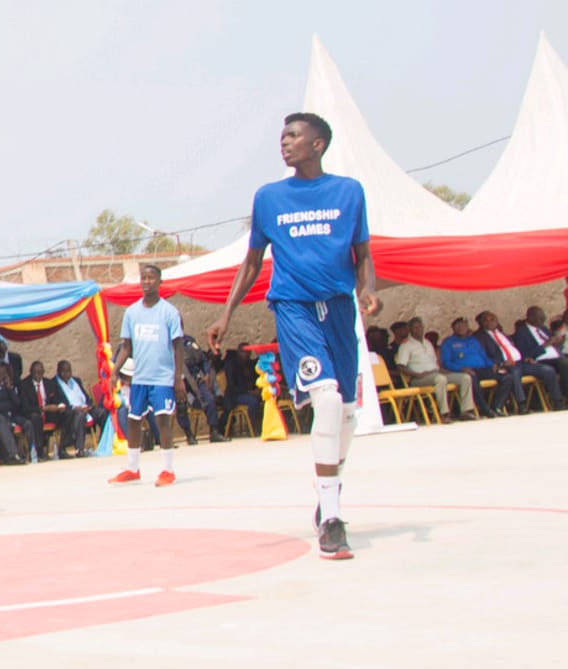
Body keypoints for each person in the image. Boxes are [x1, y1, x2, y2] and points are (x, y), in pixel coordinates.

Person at [206, 113, 378, 561]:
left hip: (338, 309)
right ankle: (333, 520)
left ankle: (328, 488)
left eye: (294, 135)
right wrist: (226, 315)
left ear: (317, 144)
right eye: (282, 135)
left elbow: (362, 255)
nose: (284, 142)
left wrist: (368, 290)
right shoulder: (269, 197)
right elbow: (251, 263)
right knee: (326, 400)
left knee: (346, 414)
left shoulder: (349, 192)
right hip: (293, 309)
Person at [111, 264, 189, 487]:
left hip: (162, 378)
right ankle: (133, 469)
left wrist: (177, 378)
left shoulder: (169, 312)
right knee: (134, 420)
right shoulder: (132, 312)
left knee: (162, 420)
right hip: (140, 378)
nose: (146, 282)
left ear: (159, 282)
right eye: (143, 278)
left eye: (151, 278)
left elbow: (178, 347)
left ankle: (168, 470)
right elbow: (127, 347)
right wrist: (114, 372)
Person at [392, 321, 475, 420]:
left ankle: (466, 411)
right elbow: (401, 366)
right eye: (415, 327)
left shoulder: (427, 343)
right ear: (410, 330)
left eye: (420, 327)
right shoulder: (406, 345)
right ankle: (444, 413)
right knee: (440, 379)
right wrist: (417, 374)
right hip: (419, 378)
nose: (418, 329)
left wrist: (442, 370)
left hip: (435, 373)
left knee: (465, 378)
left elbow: (434, 362)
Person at [440, 317, 518, 417]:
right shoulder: (448, 343)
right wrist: (461, 368)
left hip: (482, 369)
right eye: (457, 326)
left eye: (463, 325)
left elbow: (484, 357)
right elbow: (446, 362)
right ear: (453, 329)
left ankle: (497, 407)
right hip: (465, 371)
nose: (461, 328)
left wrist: (493, 365)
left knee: (507, 377)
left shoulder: (474, 341)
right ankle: (485, 409)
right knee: (472, 380)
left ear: (467, 327)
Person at [44, 361, 93, 458]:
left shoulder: (76, 381)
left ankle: (106, 444)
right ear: (58, 371)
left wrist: (89, 406)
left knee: (102, 413)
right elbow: (57, 402)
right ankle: (79, 449)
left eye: (69, 371)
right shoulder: (53, 383)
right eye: (64, 371)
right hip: (67, 413)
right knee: (79, 415)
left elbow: (86, 397)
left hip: (84, 409)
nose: (67, 374)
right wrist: (75, 408)